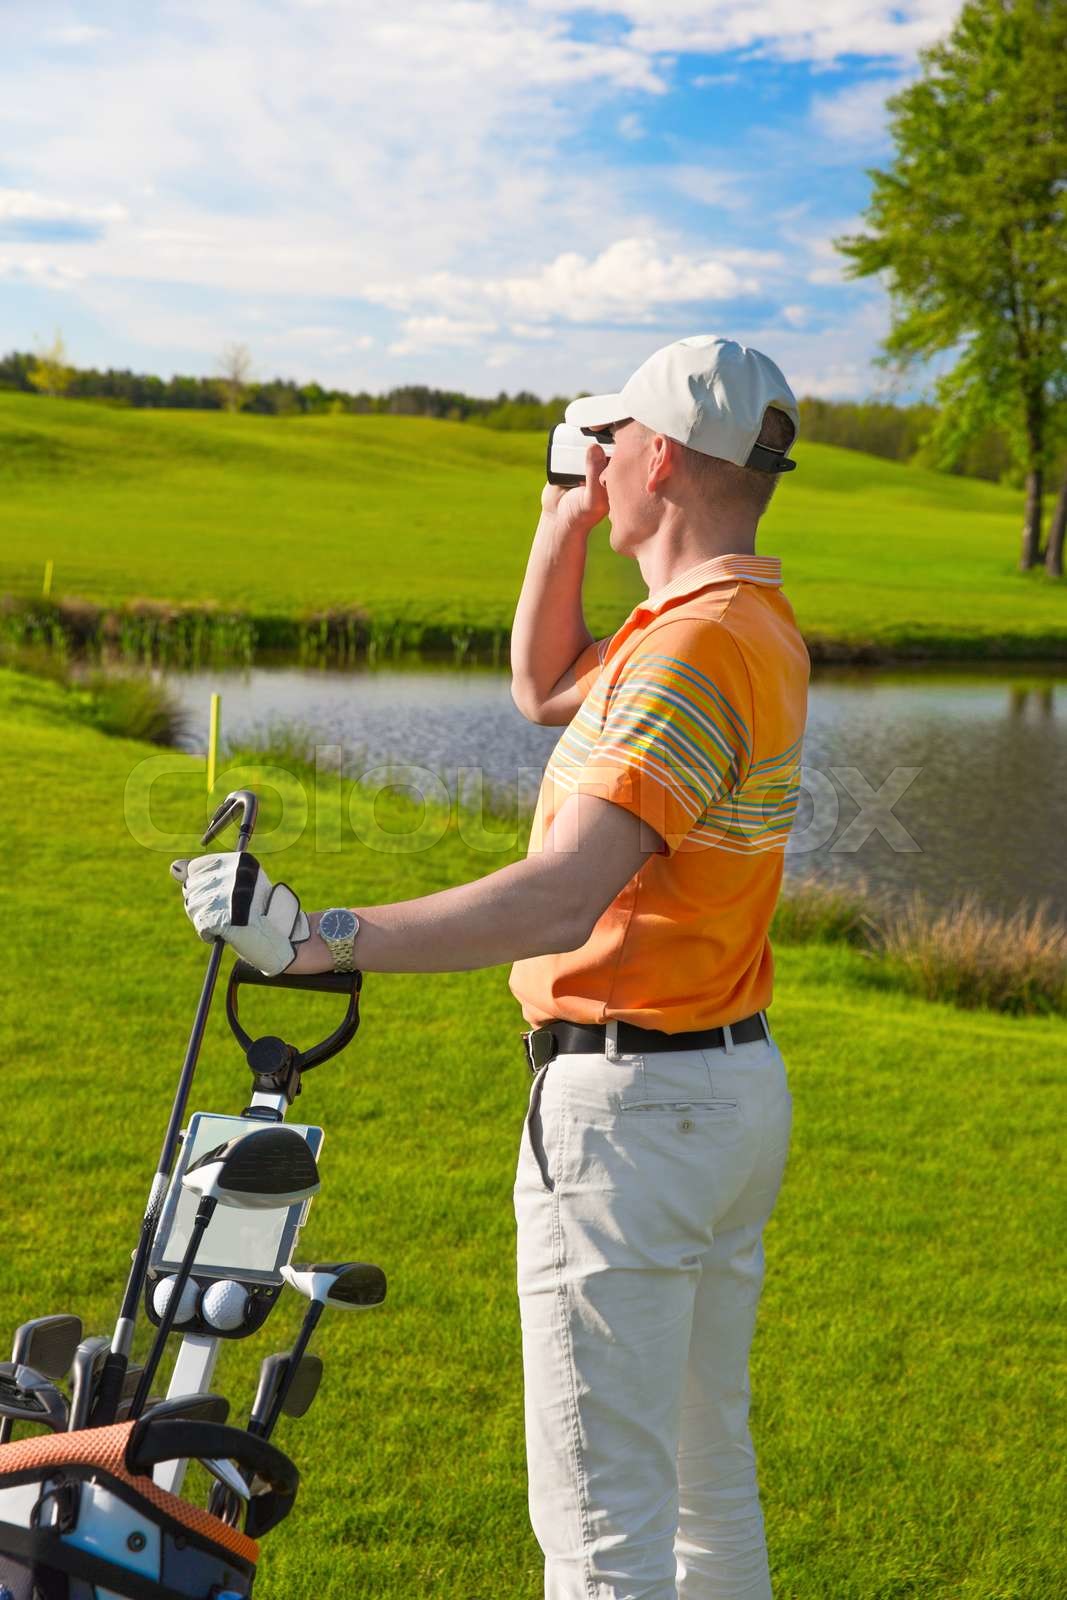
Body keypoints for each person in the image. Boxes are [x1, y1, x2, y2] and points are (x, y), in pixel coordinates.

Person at [175, 334, 809, 1599]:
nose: (600, 453)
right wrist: (563, 511)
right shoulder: (729, 623)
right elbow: (536, 688)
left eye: (614, 441)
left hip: (634, 1116)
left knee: (600, 1521)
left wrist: (320, 936)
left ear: (664, 458)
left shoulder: (691, 652)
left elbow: (563, 894)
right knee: (697, 1482)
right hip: (715, 1096)